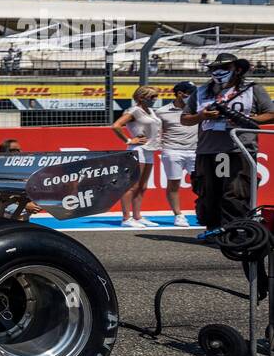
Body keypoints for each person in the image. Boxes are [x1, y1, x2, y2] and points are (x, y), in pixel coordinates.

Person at [182, 51, 274, 231]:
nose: (218, 72)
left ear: (238, 69)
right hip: (207, 150)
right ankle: (212, 229)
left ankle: (235, 231)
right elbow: (185, 118)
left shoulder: (253, 89)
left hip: (239, 149)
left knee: (235, 192)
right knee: (208, 193)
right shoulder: (201, 92)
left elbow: (271, 114)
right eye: (215, 68)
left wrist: (245, 118)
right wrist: (202, 115)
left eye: (225, 67)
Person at [112, 85, 162, 228]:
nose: (155, 99)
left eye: (155, 96)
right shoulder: (134, 111)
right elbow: (116, 125)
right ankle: (126, 218)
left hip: (149, 151)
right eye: (152, 97)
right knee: (132, 186)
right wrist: (129, 140)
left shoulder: (151, 111)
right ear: (141, 97)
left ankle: (137, 216)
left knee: (142, 186)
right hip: (137, 150)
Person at [158, 81, 198, 228]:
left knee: (200, 184)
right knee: (174, 183)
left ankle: (202, 210)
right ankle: (178, 215)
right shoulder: (162, 111)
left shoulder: (198, 108)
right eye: (191, 93)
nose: (194, 96)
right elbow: (154, 131)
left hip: (196, 150)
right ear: (180, 94)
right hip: (172, 150)